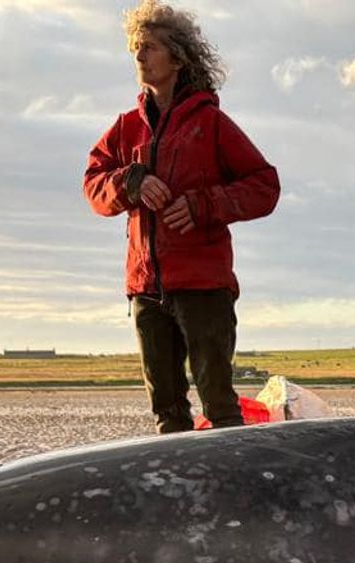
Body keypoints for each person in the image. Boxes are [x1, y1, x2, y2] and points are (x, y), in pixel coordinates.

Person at [83, 2, 280, 433]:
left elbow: (265, 186)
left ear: (177, 57)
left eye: (149, 47)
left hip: (203, 286)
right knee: (167, 412)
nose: (138, 57)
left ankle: (232, 490)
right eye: (136, 47)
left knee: (219, 404)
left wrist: (202, 205)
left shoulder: (210, 123)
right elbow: (93, 186)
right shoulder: (124, 128)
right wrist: (128, 182)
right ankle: (176, 497)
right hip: (145, 289)